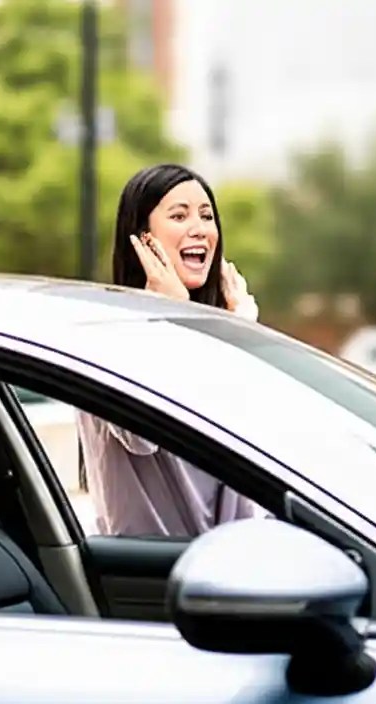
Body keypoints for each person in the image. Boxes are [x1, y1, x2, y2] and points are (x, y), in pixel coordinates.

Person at [76, 163, 261, 537]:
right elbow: (140, 436)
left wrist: (240, 336)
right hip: (155, 565)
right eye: (179, 215)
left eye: (206, 216)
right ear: (144, 240)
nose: (199, 228)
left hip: (234, 555)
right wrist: (172, 325)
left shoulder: (216, 338)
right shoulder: (107, 337)